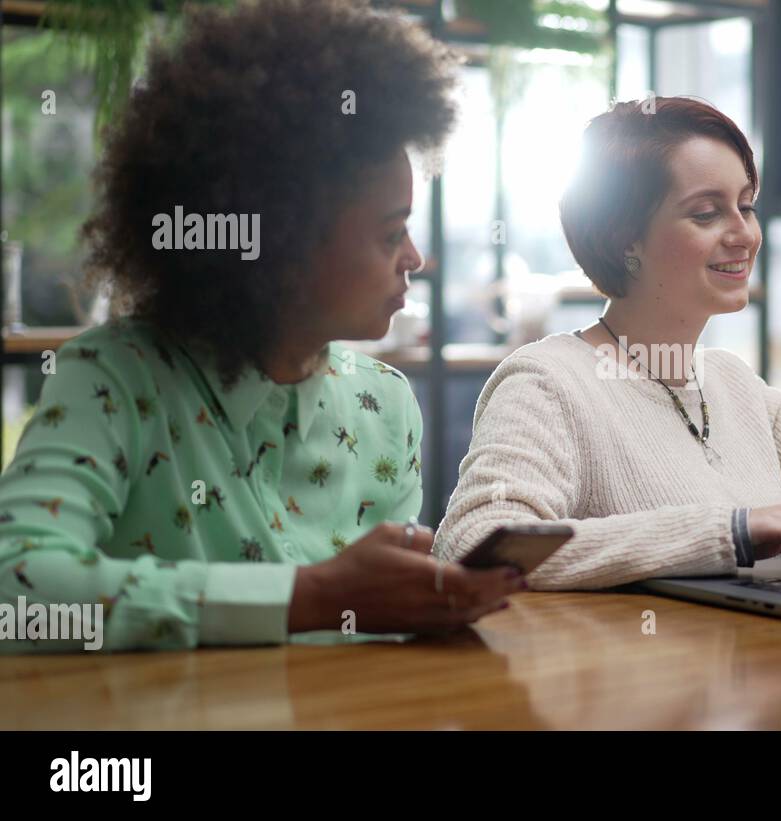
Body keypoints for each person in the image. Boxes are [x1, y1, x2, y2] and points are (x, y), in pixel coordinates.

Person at [0, 0, 522, 654]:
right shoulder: (114, 380)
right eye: (391, 232)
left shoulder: (384, 405)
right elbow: (13, 592)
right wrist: (311, 597)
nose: (415, 258)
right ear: (282, 244)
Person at [433, 97, 781, 589]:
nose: (744, 234)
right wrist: (730, 531)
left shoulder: (734, 382)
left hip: (753, 658)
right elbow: (477, 545)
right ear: (625, 242)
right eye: (708, 213)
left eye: (746, 206)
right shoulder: (546, 383)